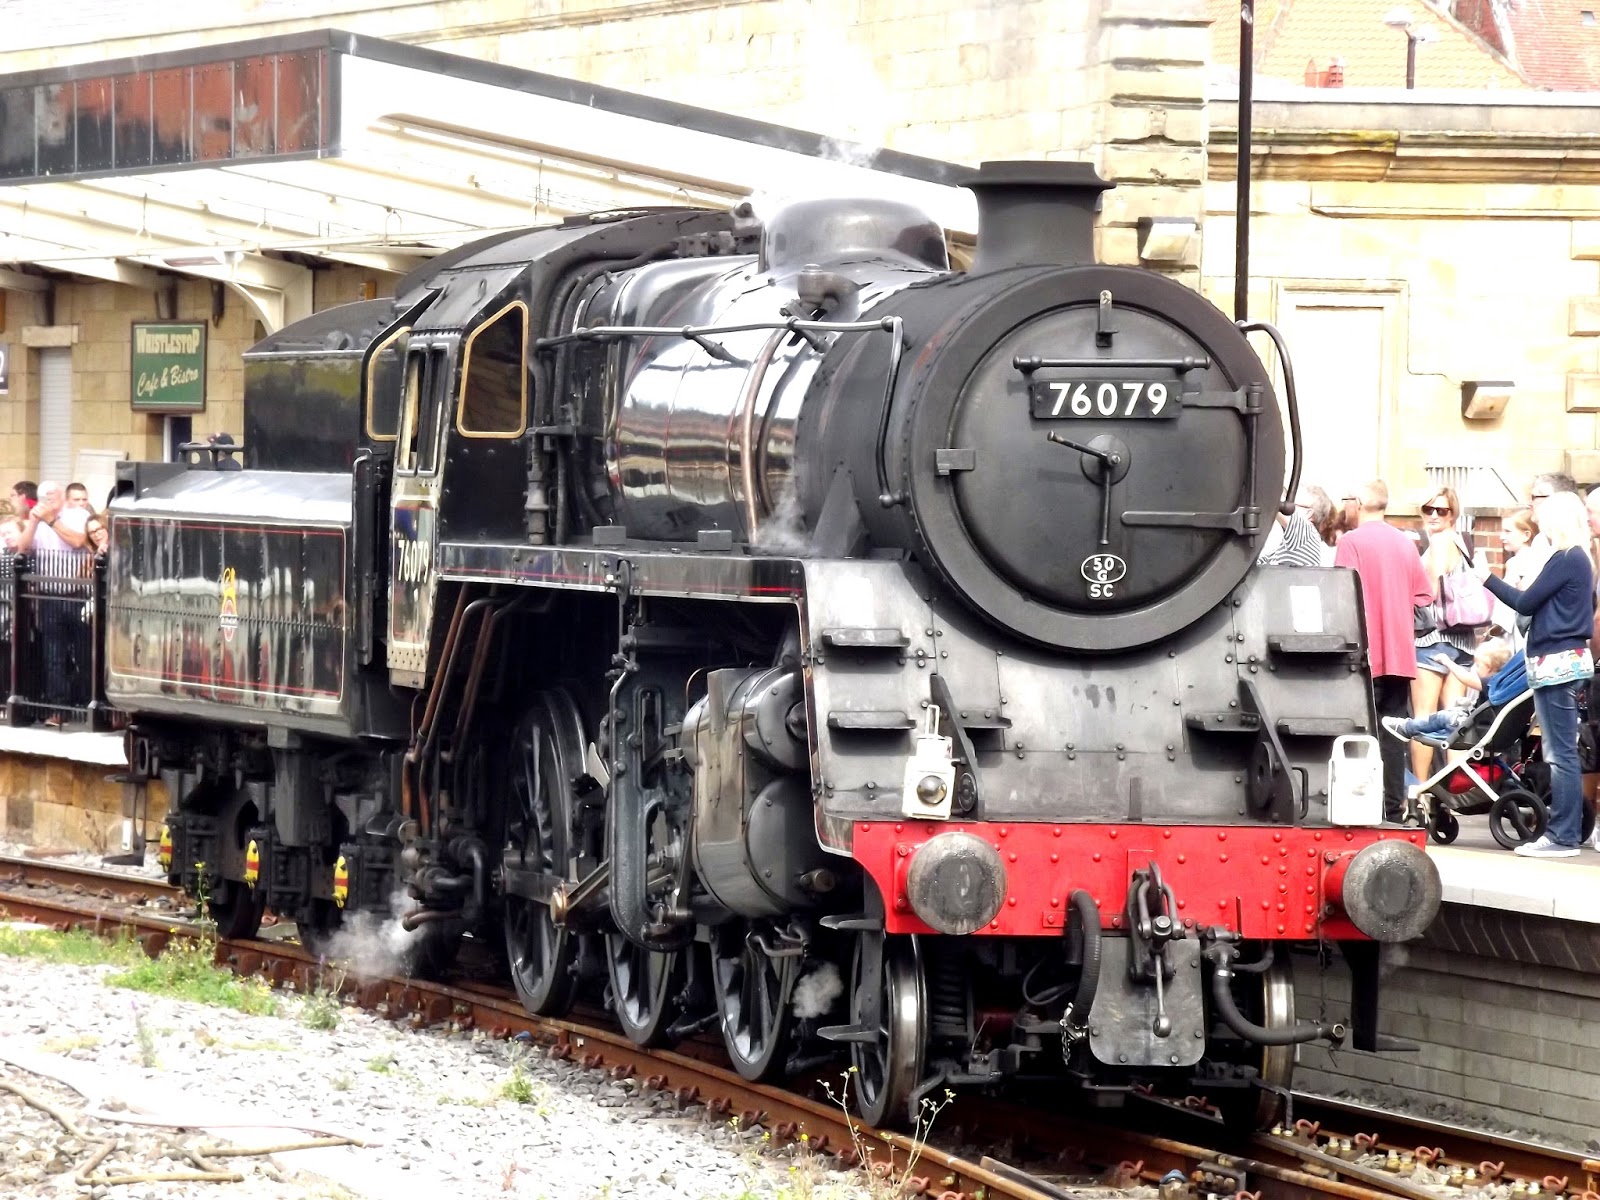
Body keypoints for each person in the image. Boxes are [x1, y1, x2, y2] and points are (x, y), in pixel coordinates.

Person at [1478, 490, 1596, 857]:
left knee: (1560, 754)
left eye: (1543, 514)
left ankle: (1562, 836)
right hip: (1564, 661)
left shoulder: (1566, 558)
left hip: (1555, 663)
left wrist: (1487, 577)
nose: (1538, 520)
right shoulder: (1579, 559)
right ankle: (1566, 831)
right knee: (1561, 751)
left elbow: (1525, 602)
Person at [1334, 480, 1435, 822]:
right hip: (1400, 655)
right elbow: (1424, 595)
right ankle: (1393, 808)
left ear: (1360, 502)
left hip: (1363, 654)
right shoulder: (1405, 543)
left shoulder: (1350, 542)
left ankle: (1360, 806)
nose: (1345, 505)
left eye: (1347, 498)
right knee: (1393, 734)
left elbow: (1340, 594)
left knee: (1358, 732)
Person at [1411, 487, 1477, 783]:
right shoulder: (1462, 542)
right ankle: (1454, 790)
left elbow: (1431, 591)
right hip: (1463, 641)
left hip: (1433, 639)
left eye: (1442, 510)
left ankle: (1421, 792)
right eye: (1429, 509)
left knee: (1423, 719)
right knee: (1454, 720)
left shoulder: (1438, 542)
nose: (1434, 515)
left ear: (1453, 514)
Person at [1381, 637, 1512, 744]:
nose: (1475, 670)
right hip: (1484, 727)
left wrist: (1447, 662)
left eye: (1478, 666)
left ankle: (1408, 728)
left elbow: (1467, 678)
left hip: (1477, 729)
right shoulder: (1505, 684)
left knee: (1442, 717)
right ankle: (1414, 728)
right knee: (1450, 714)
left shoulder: (1493, 682)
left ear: (1489, 667)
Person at [1493, 507, 1548, 652]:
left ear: (1526, 535)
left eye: (1508, 531)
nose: (1502, 536)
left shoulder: (1522, 563)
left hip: (1519, 634)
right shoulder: (1518, 561)